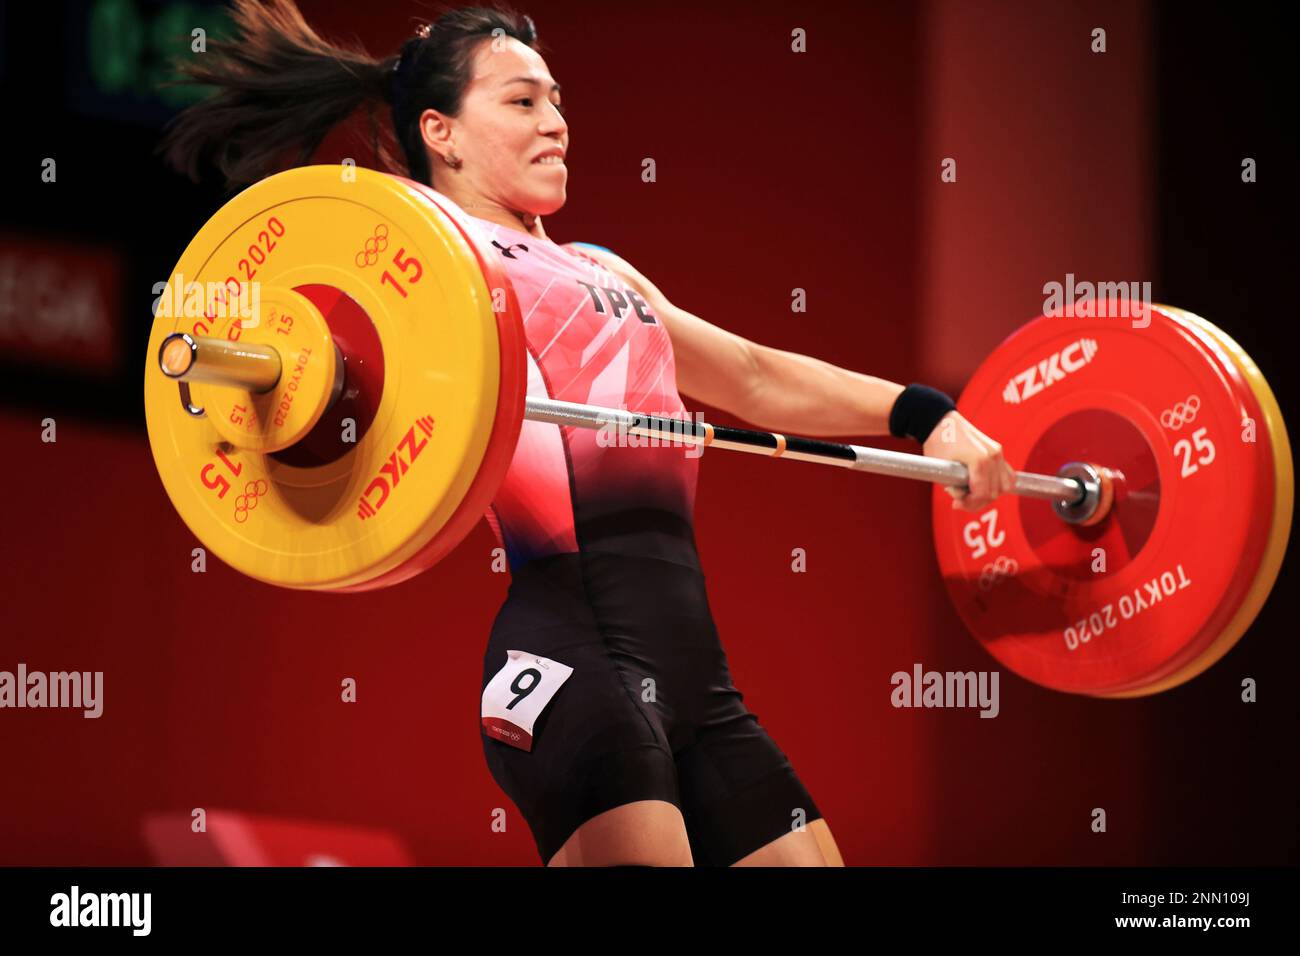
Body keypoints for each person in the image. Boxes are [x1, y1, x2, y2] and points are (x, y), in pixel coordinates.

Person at [161, 0, 1016, 866]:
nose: (558, 123)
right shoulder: (429, 269)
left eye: (558, 100)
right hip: (572, 663)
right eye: (522, 102)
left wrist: (924, 416)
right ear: (441, 133)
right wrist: (265, 364)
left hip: (697, 682)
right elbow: (328, 359)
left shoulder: (601, 270)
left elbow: (752, 376)